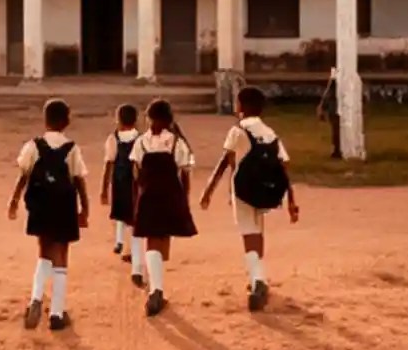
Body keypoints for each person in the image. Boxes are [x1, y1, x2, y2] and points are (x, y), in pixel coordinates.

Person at [200, 85, 299, 312]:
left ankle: (257, 283)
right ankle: (259, 276)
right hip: (266, 191)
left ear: (241, 106)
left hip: (243, 191)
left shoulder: (238, 130)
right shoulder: (270, 133)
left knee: (248, 236)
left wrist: (209, 190)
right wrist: (291, 200)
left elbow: (225, 161)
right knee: (258, 233)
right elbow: (284, 166)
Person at [7, 98, 89, 331]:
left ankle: (35, 298)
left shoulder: (33, 146)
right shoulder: (72, 148)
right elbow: (79, 180)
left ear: (45, 120)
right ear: (66, 122)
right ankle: (56, 312)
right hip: (64, 206)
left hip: (41, 205)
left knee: (44, 252)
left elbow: (23, 175)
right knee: (61, 255)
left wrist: (13, 201)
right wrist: (85, 209)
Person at [130, 99, 198, 316]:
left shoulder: (141, 142)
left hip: (149, 194)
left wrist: (140, 191)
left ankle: (156, 289)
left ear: (149, 118)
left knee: (151, 240)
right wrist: (184, 199)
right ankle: (157, 288)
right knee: (162, 239)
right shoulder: (177, 142)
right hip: (170, 194)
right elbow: (185, 172)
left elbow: (136, 171)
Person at [99, 103, 144, 286]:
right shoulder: (141, 139)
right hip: (136, 185)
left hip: (119, 183)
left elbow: (108, 163)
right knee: (135, 223)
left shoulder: (113, 139)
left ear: (118, 121)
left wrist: (104, 188)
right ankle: (137, 268)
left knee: (122, 215)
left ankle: (120, 243)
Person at [316, 65, 343, 160]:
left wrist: (322, 106)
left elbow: (329, 89)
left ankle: (337, 150)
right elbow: (329, 90)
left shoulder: (336, 78)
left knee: (336, 131)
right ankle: (337, 150)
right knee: (336, 131)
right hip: (335, 106)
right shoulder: (337, 79)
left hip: (335, 105)